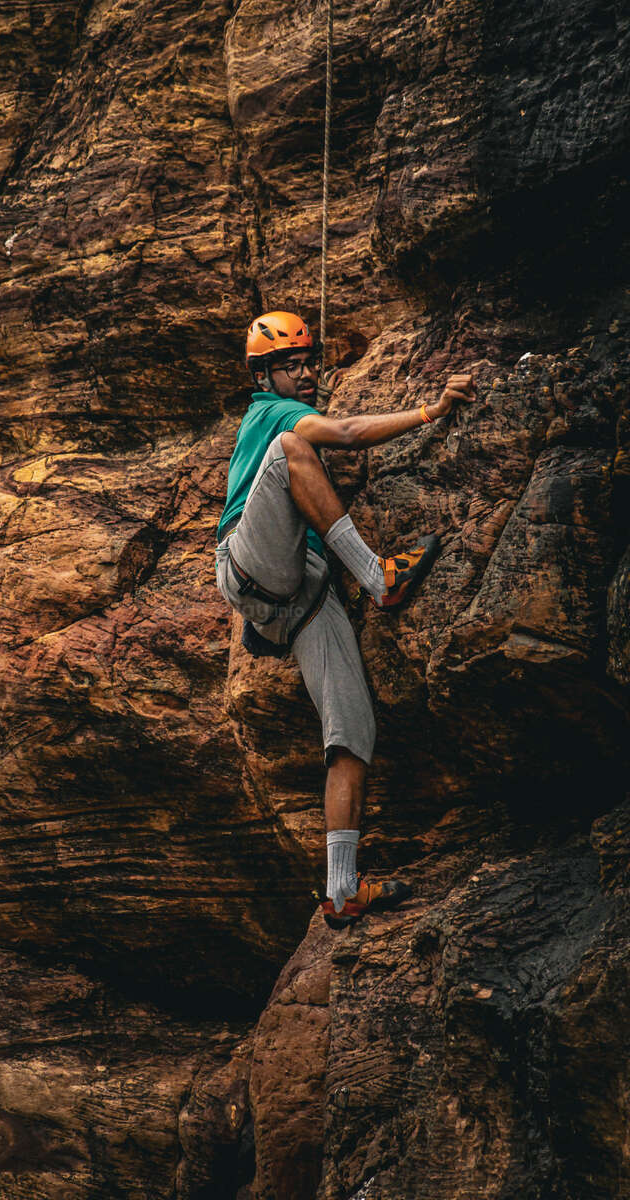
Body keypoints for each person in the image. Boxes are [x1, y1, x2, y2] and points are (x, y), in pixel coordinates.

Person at [214, 311, 476, 929]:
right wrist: (433, 411)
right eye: (289, 366)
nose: (305, 373)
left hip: (300, 592)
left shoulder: (287, 405)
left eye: (309, 363)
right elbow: (349, 432)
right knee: (293, 451)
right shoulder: (270, 414)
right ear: (263, 377)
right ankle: (378, 577)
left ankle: (341, 891)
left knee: (352, 733)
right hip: (249, 561)